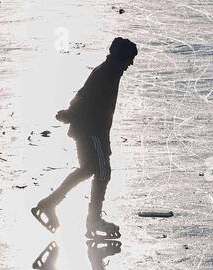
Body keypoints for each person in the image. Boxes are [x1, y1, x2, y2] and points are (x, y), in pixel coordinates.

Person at [32, 37, 138, 238]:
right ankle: (93, 220)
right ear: (119, 58)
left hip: (92, 131)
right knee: (103, 171)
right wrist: (70, 114)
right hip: (91, 132)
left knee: (88, 169)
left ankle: (49, 204)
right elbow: (86, 97)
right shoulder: (105, 74)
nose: (130, 64)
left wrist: (70, 114)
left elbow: (84, 94)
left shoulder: (108, 72)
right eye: (129, 59)